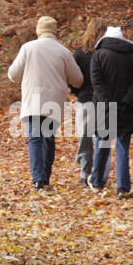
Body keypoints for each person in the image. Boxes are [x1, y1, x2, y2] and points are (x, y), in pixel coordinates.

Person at [7, 16, 84, 190]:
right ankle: (45, 177)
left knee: (35, 138)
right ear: (55, 31)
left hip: (32, 99)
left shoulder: (28, 48)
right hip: (55, 102)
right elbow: (77, 80)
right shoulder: (63, 51)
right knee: (48, 138)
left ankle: (38, 179)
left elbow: (13, 75)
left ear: (38, 30)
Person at [89, 25, 133, 197]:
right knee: (122, 148)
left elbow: (97, 83)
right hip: (127, 109)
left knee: (102, 145)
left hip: (105, 109)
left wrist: (108, 102)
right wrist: (126, 101)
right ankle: (123, 187)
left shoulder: (98, 56)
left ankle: (97, 181)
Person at [70, 18, 106, 187]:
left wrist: (79, 93)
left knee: (84, 140)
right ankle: (102, 176)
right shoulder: (108, 53)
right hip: (106, 101)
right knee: (103, 140)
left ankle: (85, 174)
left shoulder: (79, 54)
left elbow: (73, 80)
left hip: (85, 100)